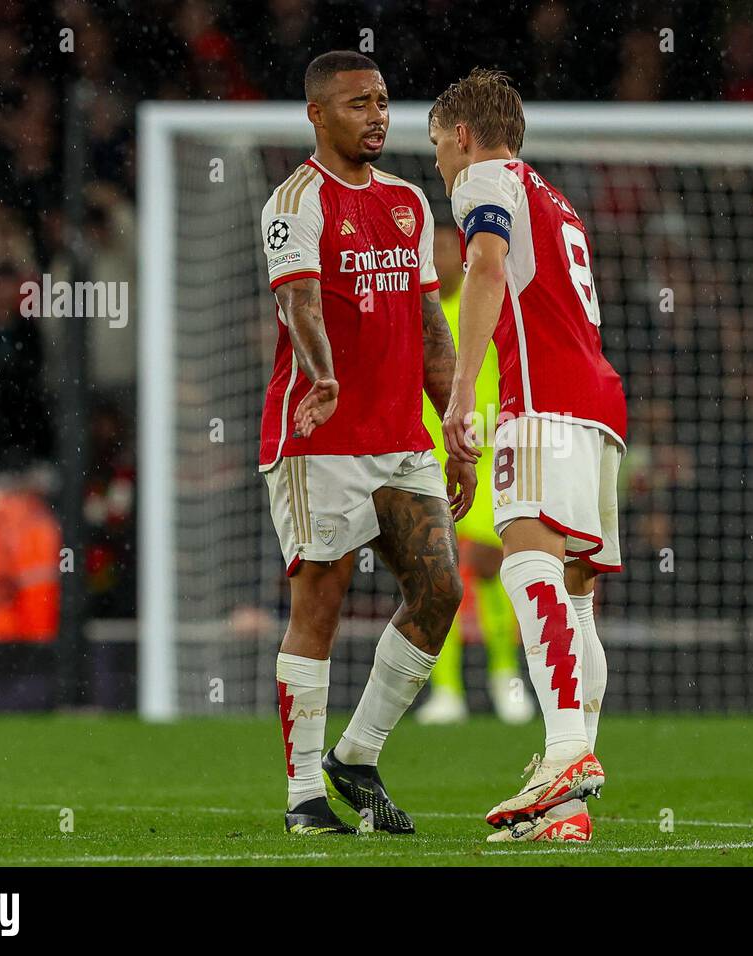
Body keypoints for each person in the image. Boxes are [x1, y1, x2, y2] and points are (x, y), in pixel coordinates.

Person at [259, 51, 473, 837]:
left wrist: (453, 425)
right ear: (318, 115)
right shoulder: (295, 203)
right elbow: (301, 305)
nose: (377, 116)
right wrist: (322, 376)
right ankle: (302, 799)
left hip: (400, 439)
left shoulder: (408, 202)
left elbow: (429, 323)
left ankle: (355, 756)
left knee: (441, 591)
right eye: (358, 104)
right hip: (320, 438)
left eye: (382, 101)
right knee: (320, 603)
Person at [430, 68, 628, 843]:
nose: (439, 161)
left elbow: (483, 267)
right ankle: (566, 808)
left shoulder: (484, 180)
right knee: (576, 595)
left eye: (438, 144)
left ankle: (569, 752)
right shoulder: (556, 198)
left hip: (542, 400)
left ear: (463, 136)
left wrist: (460, 393)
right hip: (599, 402)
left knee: (522, 561)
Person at [417, 225, 534, 726]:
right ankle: (446, 691)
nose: (442, 258)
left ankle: (505, 679)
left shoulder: (482, 303)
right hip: (427, 459)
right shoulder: (418, 312)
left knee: (489, 570)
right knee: (436, 576)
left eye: (450, 249)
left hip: (484, 455)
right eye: (434, 250)